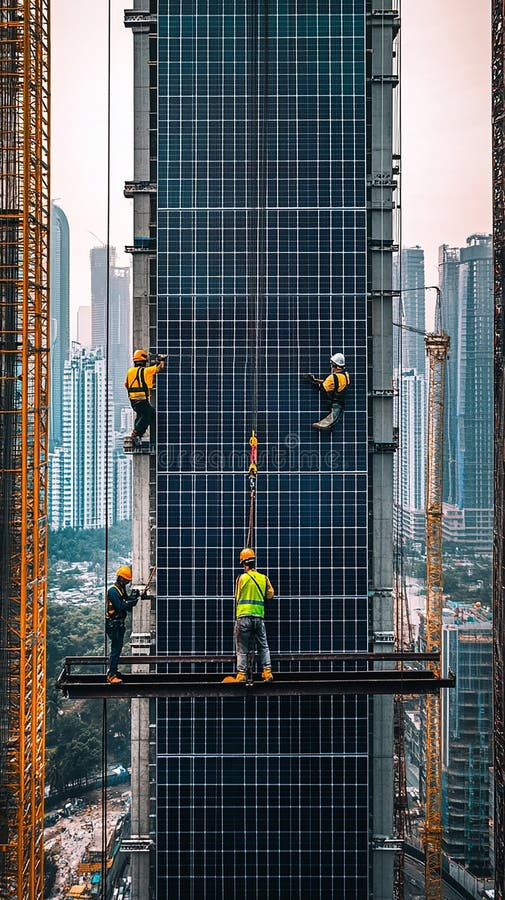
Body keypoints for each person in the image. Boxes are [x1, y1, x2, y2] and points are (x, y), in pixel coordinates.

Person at [222, 548, 275, 683]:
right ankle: (267, 672)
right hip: (258, 617)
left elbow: (237, 596)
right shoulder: (263, 578)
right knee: (263, 645)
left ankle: (241, 674)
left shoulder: (241, 578)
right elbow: (270, 595)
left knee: (242, 647)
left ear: (244, 564)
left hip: (243, 618)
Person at [105, 565, 140, 684]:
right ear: (120, 578)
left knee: (117, 649)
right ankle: (111, 675)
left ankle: (113, 671)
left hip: (118, 624)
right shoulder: (113, 591)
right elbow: (120, 606)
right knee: (115, 649)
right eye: (125, 580)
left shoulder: (120, 589)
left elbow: (126, 599)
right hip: (113, 625)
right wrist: (132, 602)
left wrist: (133, 596)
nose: (127, 582)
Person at [125, 349, 165, 446]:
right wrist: (162, 360)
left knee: (141, 415)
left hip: (133, 400)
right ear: (143, 361)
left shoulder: (130, 371)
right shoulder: (146, 371)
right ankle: (136, 434)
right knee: (149, 413)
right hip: (142, 399)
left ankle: (138, 434)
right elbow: (159, 368)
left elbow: (126, 384)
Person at [307, 352, 350, 431]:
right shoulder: (346, 375)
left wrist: (317, 383)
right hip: (341, 402)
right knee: (334, 417)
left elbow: (323, 388)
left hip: (336, 403)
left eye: (332, 365)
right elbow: (336, 383)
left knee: (329, 422)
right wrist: (316, 380)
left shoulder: (332, 377)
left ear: (335, 366)